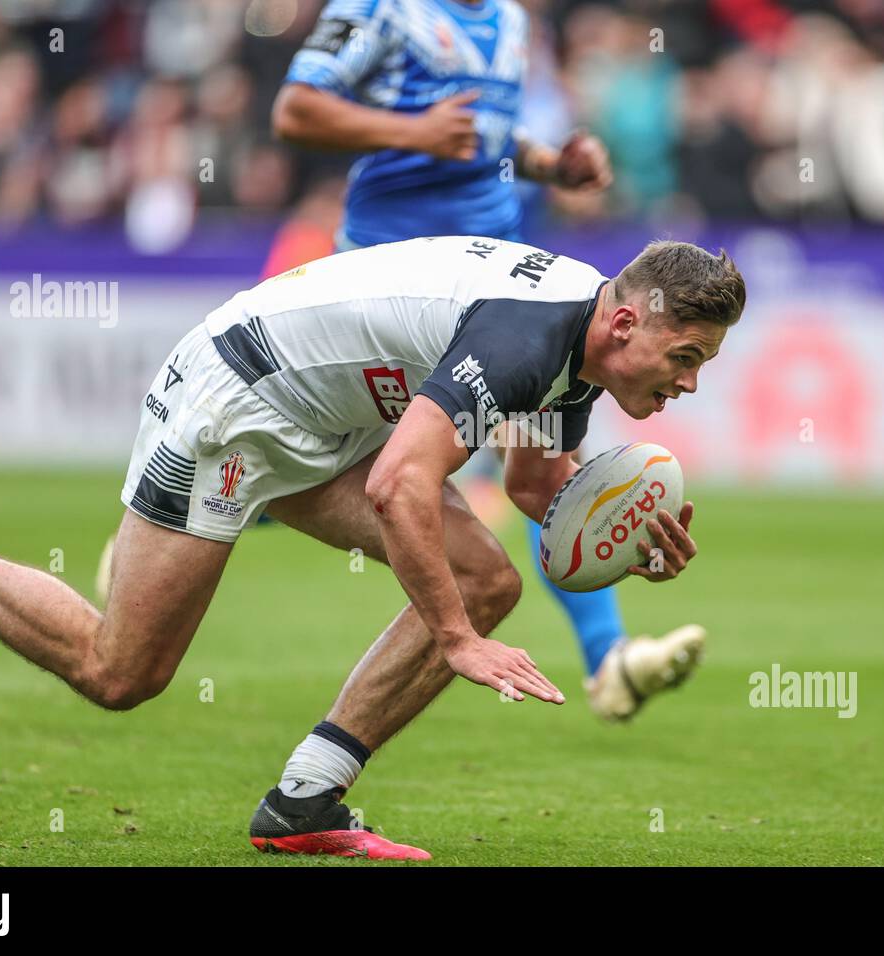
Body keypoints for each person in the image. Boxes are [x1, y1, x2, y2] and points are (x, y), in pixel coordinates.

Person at [0, 236, 745, 859]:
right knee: (120, 671)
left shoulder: (579, 341)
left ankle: (303, 802)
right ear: (627, 324)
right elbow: (398, 485)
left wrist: (621, 540)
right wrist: (452, 639)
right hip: (237, 401)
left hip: (327, 414)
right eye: (688, 353)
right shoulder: (526, 338)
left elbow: (531, 489)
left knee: (485, 577)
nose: (691, 381)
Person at [270, 0, 704, 720]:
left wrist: (546, 164)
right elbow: (295, 111)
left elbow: (487, 139)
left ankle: (611, 659)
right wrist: (410, 131)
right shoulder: (381, 10)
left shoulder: (506, 19)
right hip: (395, 288)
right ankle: (214, 486)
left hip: (499, 289)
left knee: (541, 457)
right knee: (356, 457)